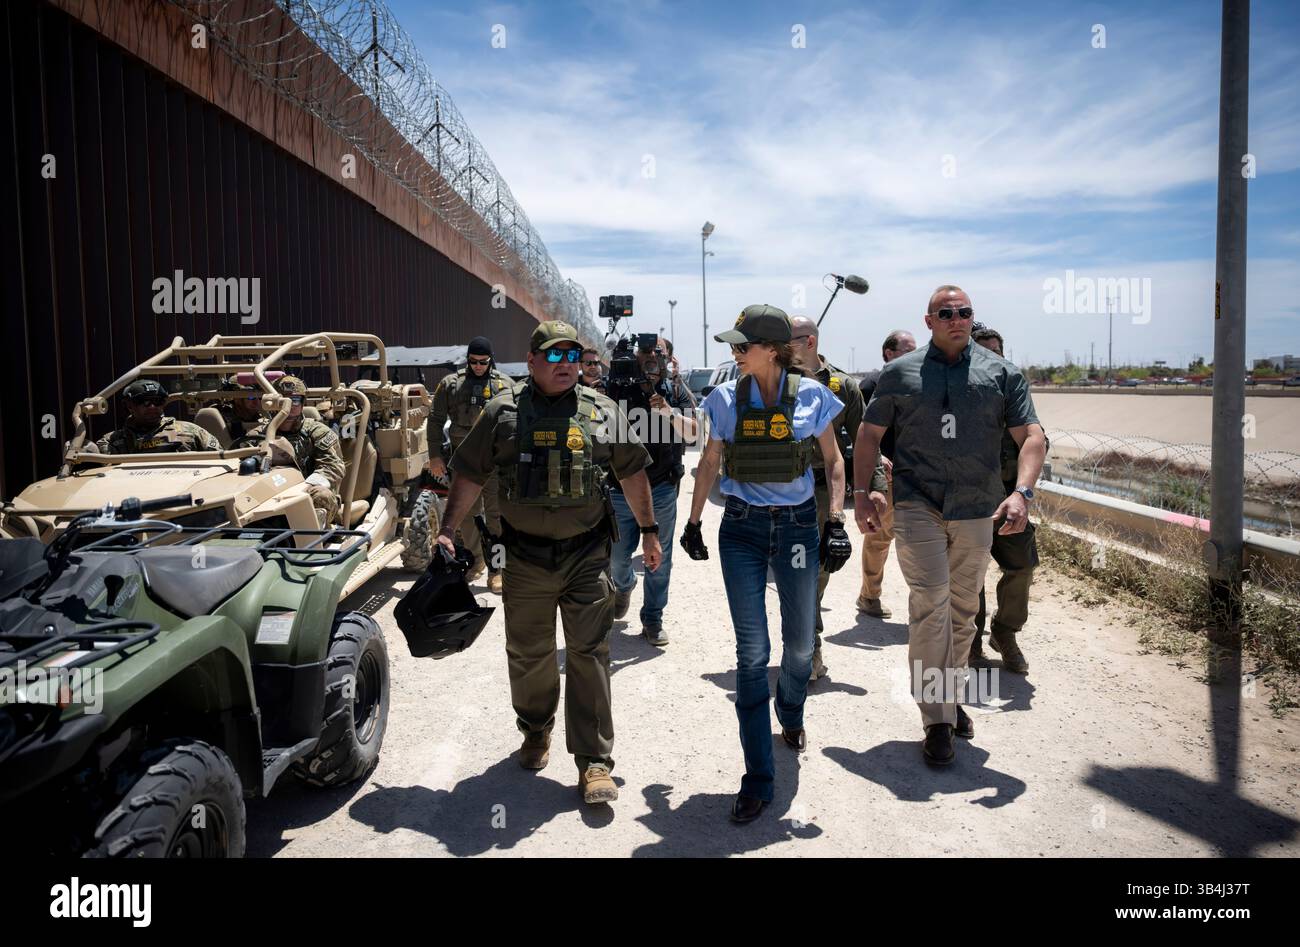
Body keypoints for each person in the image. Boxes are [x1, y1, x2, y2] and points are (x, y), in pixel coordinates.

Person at [435, 320, 663, 806]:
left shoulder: (602, 412)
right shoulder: (502, 412)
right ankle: (536, 729)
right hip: (524, 556)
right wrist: (448, 528)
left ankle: (594, 761)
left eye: (573, 356)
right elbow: (471, 474)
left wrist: (648, 531)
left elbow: (632, 471)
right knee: (530, 652)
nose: (566, 366)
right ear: (532, 361)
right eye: (554, 357)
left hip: (586, 554)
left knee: (590, 654)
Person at [854, 286, 1045, 766]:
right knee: (930, 604)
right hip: (918, 505)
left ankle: (949, 694)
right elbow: (868, 433)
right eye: (947, 313)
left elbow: (1032, 436)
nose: (957, 319)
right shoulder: (900, 374)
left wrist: (1021, 493)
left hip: (977, 508)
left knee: (963, 613)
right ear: (929, 320)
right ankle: (935, 720)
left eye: (964, 312)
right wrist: (862, 494)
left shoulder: (1001, 373)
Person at [682, 304, 850, 823]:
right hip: (742, 530)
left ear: (772, 350)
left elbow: (835, 460)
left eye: (742, 345)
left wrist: (837, 521)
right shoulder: (725, 398)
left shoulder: (816, 397)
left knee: (800, 645)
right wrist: (690, 524)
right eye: (733, 346)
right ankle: (757, 776)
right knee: (752, 653)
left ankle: (792, 710)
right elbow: (711, 460)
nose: (734, 353)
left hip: (798, 526)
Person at [788, 315, 884, 680]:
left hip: (824, 489)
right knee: (799, 572)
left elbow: (865, 442)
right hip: (784, 490)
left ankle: (807, 643)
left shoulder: (843, 386)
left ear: (810, 342)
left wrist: (875, 486)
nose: (783, 346)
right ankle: (807, 647)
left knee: (819, 572)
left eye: (791, 339)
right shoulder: (778, 384)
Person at [608, 336, 698, 646]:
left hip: (660, 487)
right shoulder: (620, 386)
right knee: (617, 558)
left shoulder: (674, 390)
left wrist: (669, 412)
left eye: (656, 352)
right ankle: (623, 586)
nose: (649, 358)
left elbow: (694, 433)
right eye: (643, 352)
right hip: (620, 488)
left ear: (668, 359)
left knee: (660, 556)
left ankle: (653, 618)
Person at [970, 326, 1038, 673]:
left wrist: (1021, 492)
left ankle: (1005, 633)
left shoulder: (1015, 393)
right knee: (973, 575)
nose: (992, 358)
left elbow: (1034, 438)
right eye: (983, 352)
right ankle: (972, 641)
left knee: (1022, 567)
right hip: (969, 504)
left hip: (1010, 499)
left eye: (997, 351)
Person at [425, 337, 511, 593]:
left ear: (490, 360)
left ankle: (498, 570)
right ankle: (475, 561)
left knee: (497, 517)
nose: (478, 366)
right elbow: (435, 420)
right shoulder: (451, 384)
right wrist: (434, 456)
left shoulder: (504, 385)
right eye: (473, 362)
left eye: (483, 362)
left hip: (495, 463)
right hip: (463, 462)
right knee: (466, 515)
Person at [855, 330, 916, 618]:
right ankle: (869, 596)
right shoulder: (871, 385)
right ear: (888, 353)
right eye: (907, 350)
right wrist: (878, 458)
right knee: (880, 537)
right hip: (887, 478)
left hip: (918, 475)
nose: (914, 355)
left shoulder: (920, 383)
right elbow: (860, 429)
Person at [234, 375, 346, 527]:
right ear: (273, 404)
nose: (290, 406)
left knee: (322, 495)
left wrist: (306, 486)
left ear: (302, 404)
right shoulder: (257, 435)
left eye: (295, 401)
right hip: (267, 493)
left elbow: (333, 467)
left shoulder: (317, 432)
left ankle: (314, 534)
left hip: (307, 491)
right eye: (283, 401)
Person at [96, 379, 220, 454]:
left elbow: (221, 460)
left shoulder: (192, 432)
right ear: (130, 406)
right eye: (144, 402)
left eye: (158, 401)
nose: (152, 407)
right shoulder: (113, 442)